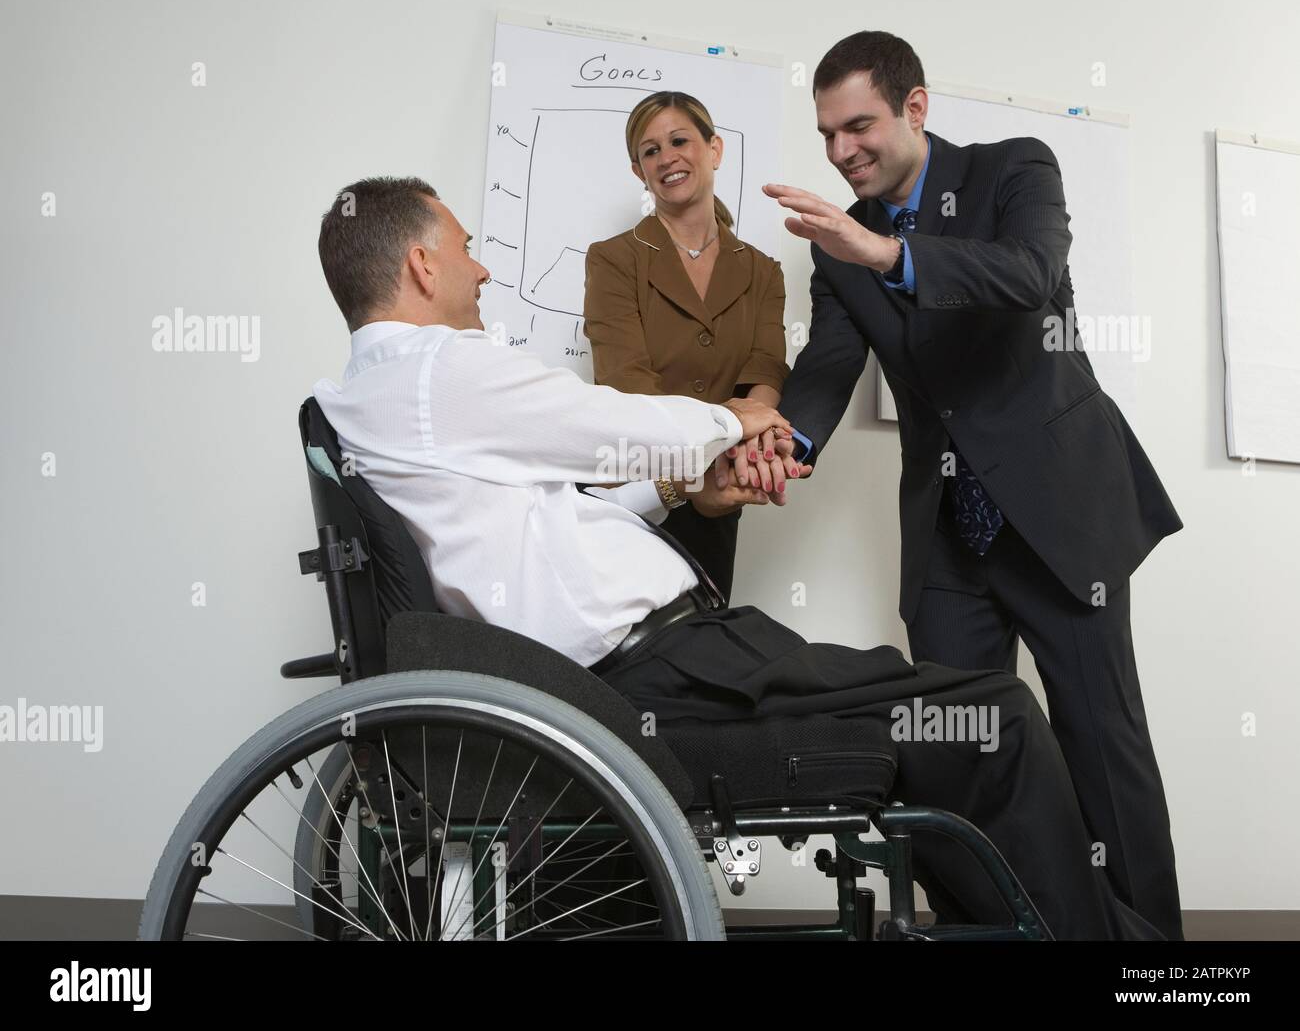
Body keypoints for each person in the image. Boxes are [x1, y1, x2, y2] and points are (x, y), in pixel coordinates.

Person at [311, 175, 1163, 940]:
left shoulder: (380, 401)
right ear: (423, 265)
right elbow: (603, 421)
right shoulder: (435, 372)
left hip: (675, 658)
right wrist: (737, 420)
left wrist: (690, 489)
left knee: (960, 717)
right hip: (669, 676)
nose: (483, 270)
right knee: (998, 716)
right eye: (465, 250)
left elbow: (549, 507)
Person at [762, 31, 1184, 940]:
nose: (842, 152)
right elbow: (828, 369)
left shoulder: (1014, 171)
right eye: (828, 133)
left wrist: (888, 258)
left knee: (1102, 747)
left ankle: (1153, 962)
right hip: (951, 536)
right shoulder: (840, 244)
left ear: (916, 107)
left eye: (859, 126)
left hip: (1059, 516)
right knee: (952, 757)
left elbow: (1028, 277)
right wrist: (779, 443)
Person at [584, 91, 797, 604]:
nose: (667, 158)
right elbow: (625, 381)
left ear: (714, 149)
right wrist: (708, 456)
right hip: (639, 490)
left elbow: (763, 374)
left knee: (708, 649)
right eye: (650, 151)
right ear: (639, 171)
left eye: (679, 140)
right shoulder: (613, 259)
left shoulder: (762, 270)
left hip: (722, 491)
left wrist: (753, 453)